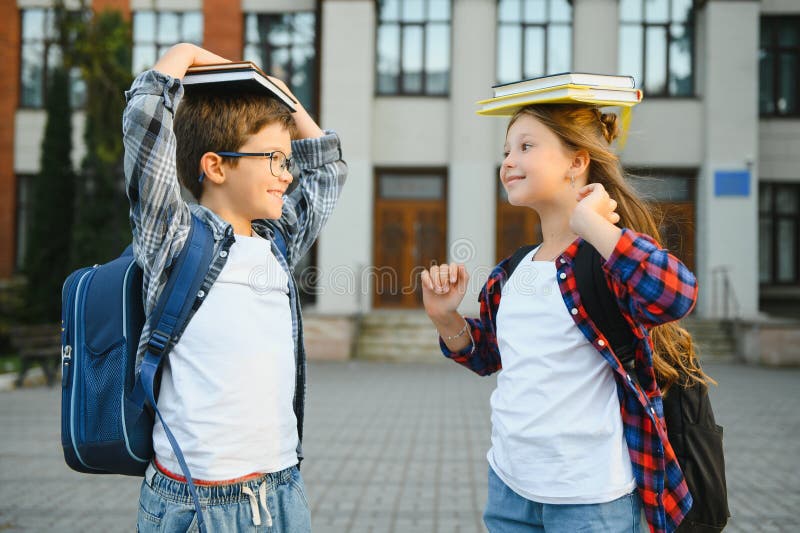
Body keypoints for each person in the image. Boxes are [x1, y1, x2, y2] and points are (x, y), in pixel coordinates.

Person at [420, 103, 712, 533]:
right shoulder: (513, 270)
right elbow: (489, 357)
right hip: (510, 490)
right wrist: (446, 318)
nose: (508, 162)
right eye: (505, 151)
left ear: (576, 163)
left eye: (526, 146)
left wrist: (594, 226)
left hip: (592, 503)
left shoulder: (607, 260)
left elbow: (677, 295)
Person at [123, 42, 347, 532]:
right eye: (273, 159)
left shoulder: (276, 240)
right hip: (199, 501)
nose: (287, 174)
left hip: (282, 489)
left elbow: (328, 170)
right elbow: (145, 124)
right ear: (216, 166)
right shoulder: (176, 240)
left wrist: (284, 101)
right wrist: (186, 53)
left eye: (287, 162)